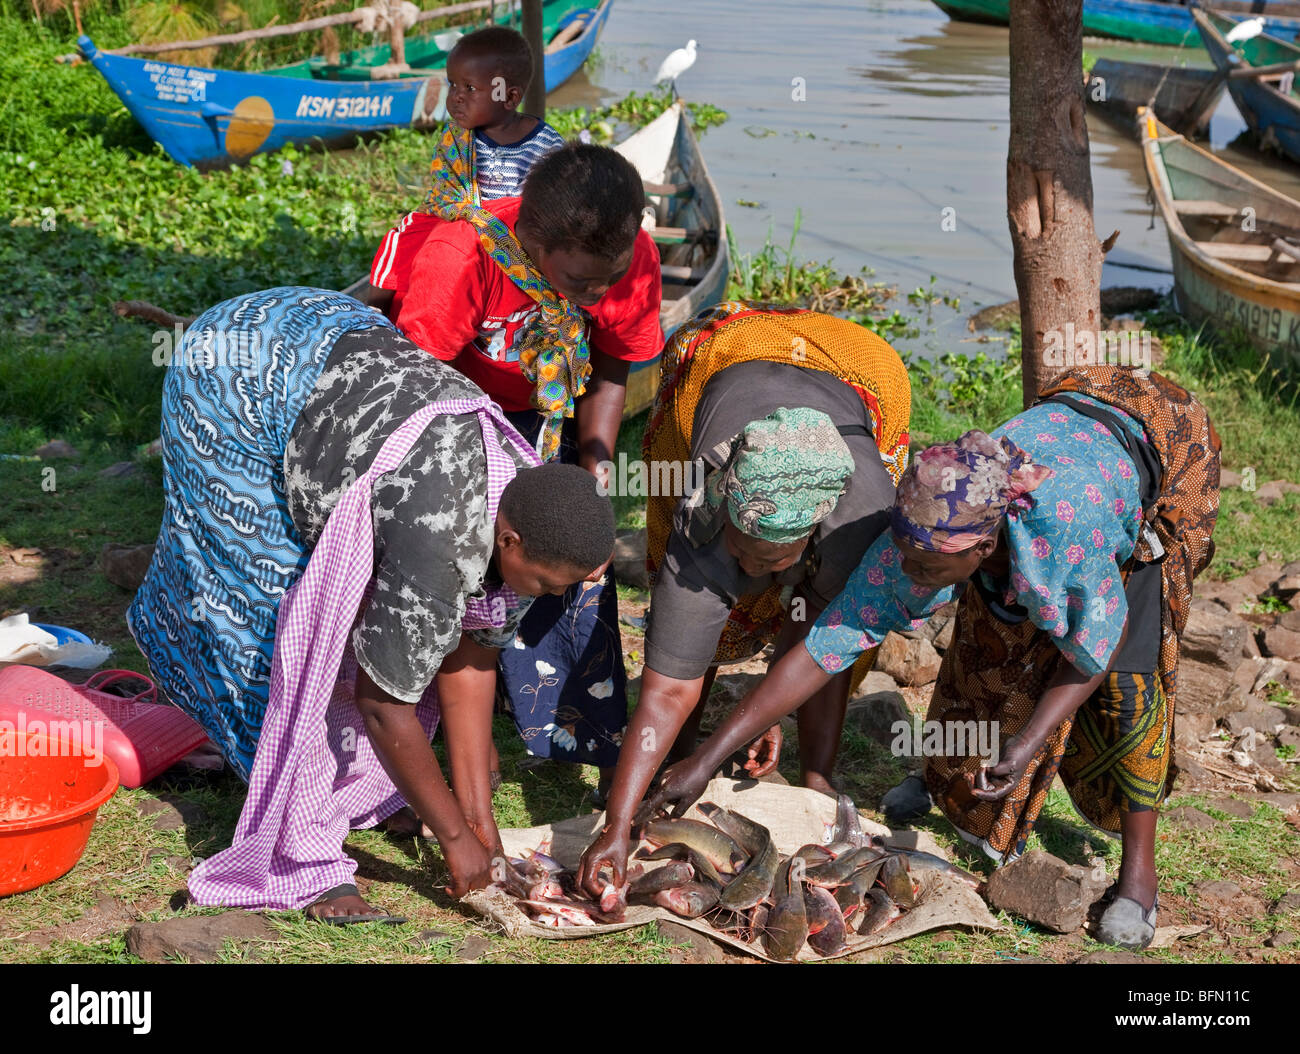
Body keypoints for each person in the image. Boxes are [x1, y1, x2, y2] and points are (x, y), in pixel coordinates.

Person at [634, 364, 1220, 951]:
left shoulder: (1067, 533)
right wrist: (708, 757)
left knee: (1129, 685)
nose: (909, 575)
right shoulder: (921, 540)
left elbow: (1098, 644)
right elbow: (822, 648)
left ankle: (1138, 876)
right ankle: (948, 782)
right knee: (983, 656)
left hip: (1151, 450)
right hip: (1063, 426)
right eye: (906, 558)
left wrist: (1030, 738)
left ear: (985, 547)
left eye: (927, 569)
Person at [127, 286, 616, 921]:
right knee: (278, 624)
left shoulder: (526, 499)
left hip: (329, 346)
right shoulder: (444, 536)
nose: (550, 598)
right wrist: (455, 841)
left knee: (370, 635)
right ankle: (302, 857)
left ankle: (351, 797)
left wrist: (481, 829)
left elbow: (471, 658)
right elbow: (385, 704)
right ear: (509, 540)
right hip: (239, 375)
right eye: (550, 585)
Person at [577, 301, 912, 896]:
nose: (752, 568)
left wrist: (763, 711)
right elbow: (667, 685)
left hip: (859, 368)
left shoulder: (861, 524)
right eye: (743, 550)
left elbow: (819, 641)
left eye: (773, 560)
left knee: (825, 618)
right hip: (729, 358)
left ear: (814, 535)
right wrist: (616, 824)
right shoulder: (700, 504)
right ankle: (667, 769)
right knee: (690, 640)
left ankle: (816, 779)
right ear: (724, 511)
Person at [369, 141, 663, 792]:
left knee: (568, 564)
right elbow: (415, 385)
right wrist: (474, 479)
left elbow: (614, 362)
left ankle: (558, 729)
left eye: (607, 279)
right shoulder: (461, 256)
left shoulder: (626, 256)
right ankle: (435, 716)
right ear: (533, 239)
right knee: (461, 565)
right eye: (582, 282)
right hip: (450, 412)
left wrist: (595, 460)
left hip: (555, 414)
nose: (598, 293)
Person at [439, 25, 566, 200]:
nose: (456, 96)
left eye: (470, 88)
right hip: (465, 224)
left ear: (509, 97)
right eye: (452, 84)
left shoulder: (546, 146)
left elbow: (554, 205)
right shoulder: (456, 137)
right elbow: (445, 194)